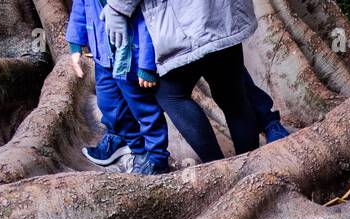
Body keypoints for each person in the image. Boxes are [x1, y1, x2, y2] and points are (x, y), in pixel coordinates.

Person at [104, 0, 289, 165]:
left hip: (182, 23)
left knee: (171, 95)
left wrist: (117, 8)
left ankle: (217, 169)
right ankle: (251, 166)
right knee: (234, 96)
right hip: (225, 14)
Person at [67, 0, 171, 176]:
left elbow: (148, 22)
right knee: (108, 103)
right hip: (103, 55)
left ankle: (157, 159)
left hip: (132, 58)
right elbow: (81, 7)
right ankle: (134, 146)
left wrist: (147, 66)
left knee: (145, 110)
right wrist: (75, 44)